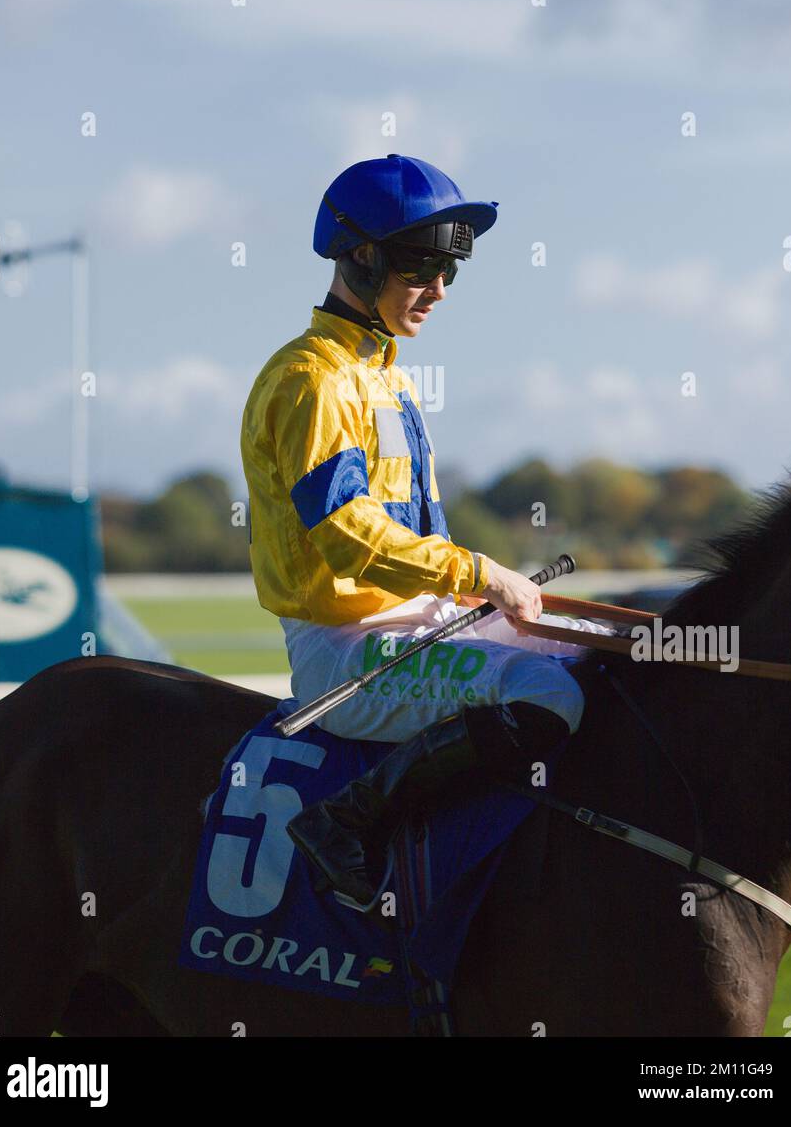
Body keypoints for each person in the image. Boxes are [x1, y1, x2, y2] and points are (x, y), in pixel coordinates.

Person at [240, 154, 614, 907]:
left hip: (426, 621)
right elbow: (348, 535)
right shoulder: (310, 380)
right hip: (345, 650)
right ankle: (346, 819)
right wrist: (483, 574)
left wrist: (478, 585)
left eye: (451, 270)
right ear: (360, 256)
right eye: (420, 267)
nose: (438, 289)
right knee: (552, 699)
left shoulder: (389, 376)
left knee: (598, 661)